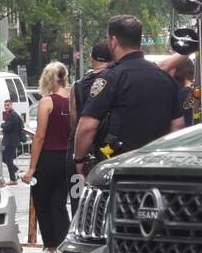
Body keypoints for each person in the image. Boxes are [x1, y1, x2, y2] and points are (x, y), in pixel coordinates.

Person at [74, 15, 184, 167]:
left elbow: (87, 127)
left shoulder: (111, 78)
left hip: (120, 169)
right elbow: (178, 125)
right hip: (157, 166)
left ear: (113, 41)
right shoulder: (165, 78)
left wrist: (79, 160)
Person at [23, 62, 71, 253]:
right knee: (59, 204)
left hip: (48, 158)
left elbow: (40, 136)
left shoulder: (46, 102)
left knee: (42, 202)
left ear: (47, 78)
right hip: (67, 158)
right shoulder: (73, 101)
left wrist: (32, 168)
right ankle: (65, 246)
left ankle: (50, 247)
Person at [68, 42, 113, 211]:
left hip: (80, 150)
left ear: (90, 58)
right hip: (108, 150)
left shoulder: (77, 86)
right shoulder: (114, 79)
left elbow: (74, 121)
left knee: (79, 205)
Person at [0, 99, 24, 184]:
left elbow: (7, 126)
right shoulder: (12, 114)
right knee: (6, 159)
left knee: (8, 160)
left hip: (11, 141)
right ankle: (17, 172)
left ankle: (13, 179)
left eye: (8, 105)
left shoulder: (12, 115)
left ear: (11, 105)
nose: (6, 107)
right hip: (11, 141)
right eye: (5, 105)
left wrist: (2, 125)